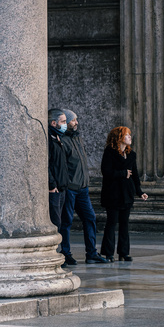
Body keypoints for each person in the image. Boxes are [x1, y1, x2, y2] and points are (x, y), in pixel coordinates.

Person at [59, 109, 106, 265]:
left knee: (90, 218)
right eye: (73, 120)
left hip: (83, 188)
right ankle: (66, 253)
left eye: (75, 120)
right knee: (66, 222)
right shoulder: (62, 140)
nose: (76, 122)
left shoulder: (78, 139)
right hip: (70, 188)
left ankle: (91, 254)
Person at [100, 125, 148, 261]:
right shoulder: (109, 152)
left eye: (129, 135)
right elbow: (106, 172)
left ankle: (123, 253)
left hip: (127, 193)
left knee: (124, 224)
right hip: (113, 194)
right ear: (119, 137)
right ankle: (108, 253)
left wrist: (140, 192)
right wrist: (123, 173)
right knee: (111, 223)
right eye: (127, 135)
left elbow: (135, 175)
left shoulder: (132, 154)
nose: (130, 137)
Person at [47, 109, 69, 250]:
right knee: (55, 223)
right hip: (54, 188)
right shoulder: (50, 138)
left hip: (61, 187)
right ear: (53, 123)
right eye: (63, 122)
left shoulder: (58, 138)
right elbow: (46, 163)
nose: (65, 124)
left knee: (60, 222)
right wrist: (52, 184)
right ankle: (52, 252)